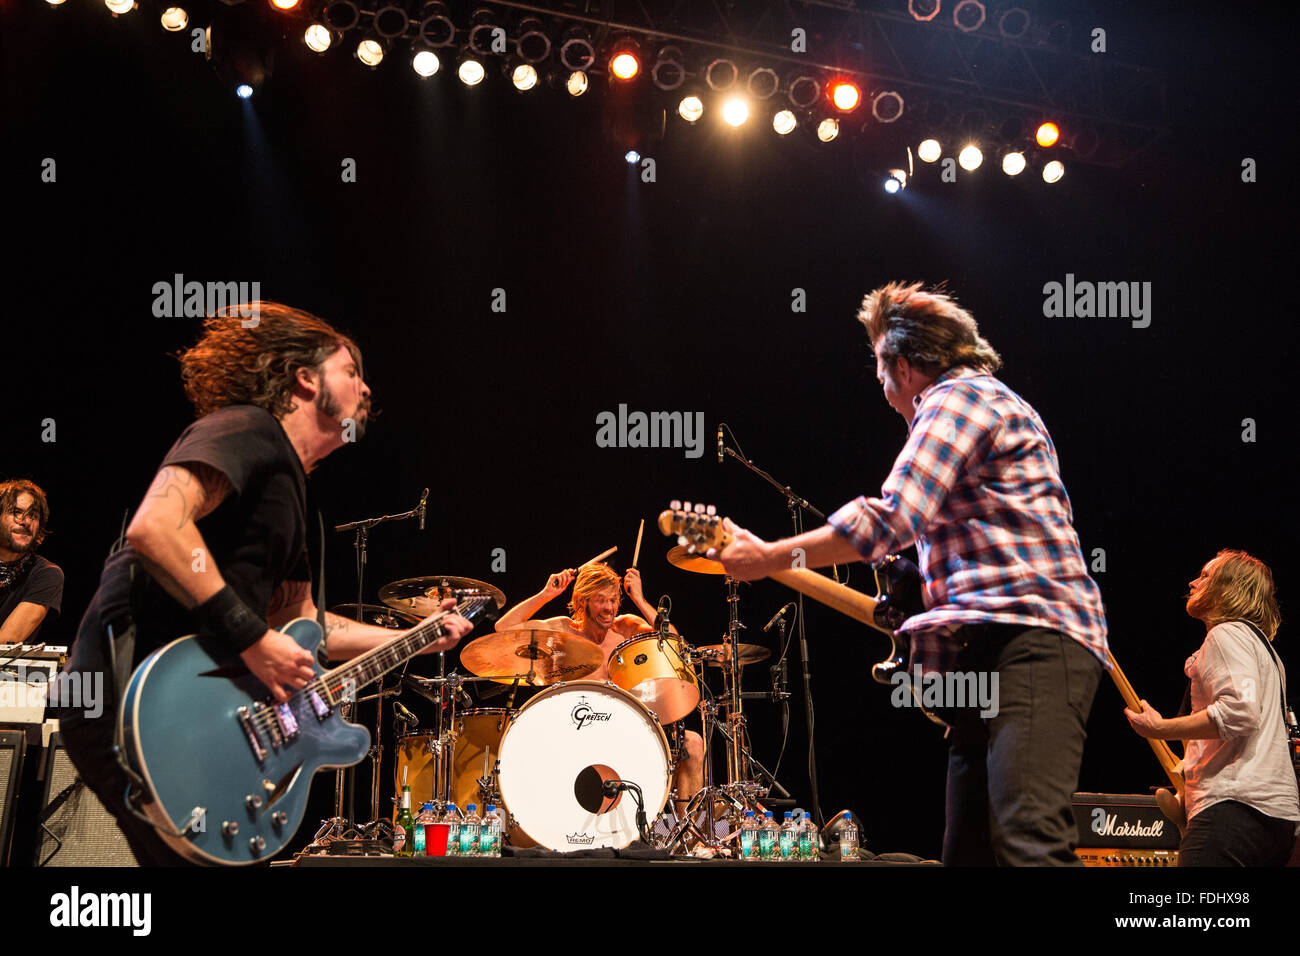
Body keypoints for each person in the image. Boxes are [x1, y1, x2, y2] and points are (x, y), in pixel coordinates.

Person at [58, 302, 474, 865]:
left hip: (200, 716)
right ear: (305, 379)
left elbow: (307, 628)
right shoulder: (247, 428)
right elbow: (157, 525)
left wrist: (416, 635)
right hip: (137, 697)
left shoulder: (297, 497)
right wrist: (252, 638)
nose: (366, 388)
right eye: (351, 371)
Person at [712, 281, 1109, 865]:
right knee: (969, 854)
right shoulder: (986, 404)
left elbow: (891, 520)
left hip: (1031, 640)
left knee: (1030, 842)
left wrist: (768, 556)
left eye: (880, 372)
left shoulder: (959, 399)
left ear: (903, 364)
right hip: (989, 652)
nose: (882, 391)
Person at [1126, 550, 1299, 866]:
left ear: (1229, 586)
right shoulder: (1265, 652)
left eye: (1205, 576)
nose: (1192, 582)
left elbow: (1241, 712)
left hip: (1233, 809)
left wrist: (1159, 728)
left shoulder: (1227, 635)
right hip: (1276, 820)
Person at [494, 562, 706, 820]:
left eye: (614, 600)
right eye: (601, 600)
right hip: (573, 732)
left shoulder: (625, 627)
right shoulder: (563, 630)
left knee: (693, 742)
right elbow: (503, 628)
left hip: (625, 731)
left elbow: (672, 640)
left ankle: (690, 841)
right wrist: (546, 594)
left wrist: (639, 599)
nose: (609, 608)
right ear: (583, 602)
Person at [0, 479, 64, 645]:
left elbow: (5, 641)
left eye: (33, 515)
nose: (26, 521)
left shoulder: (47, 574)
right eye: (16, 512)